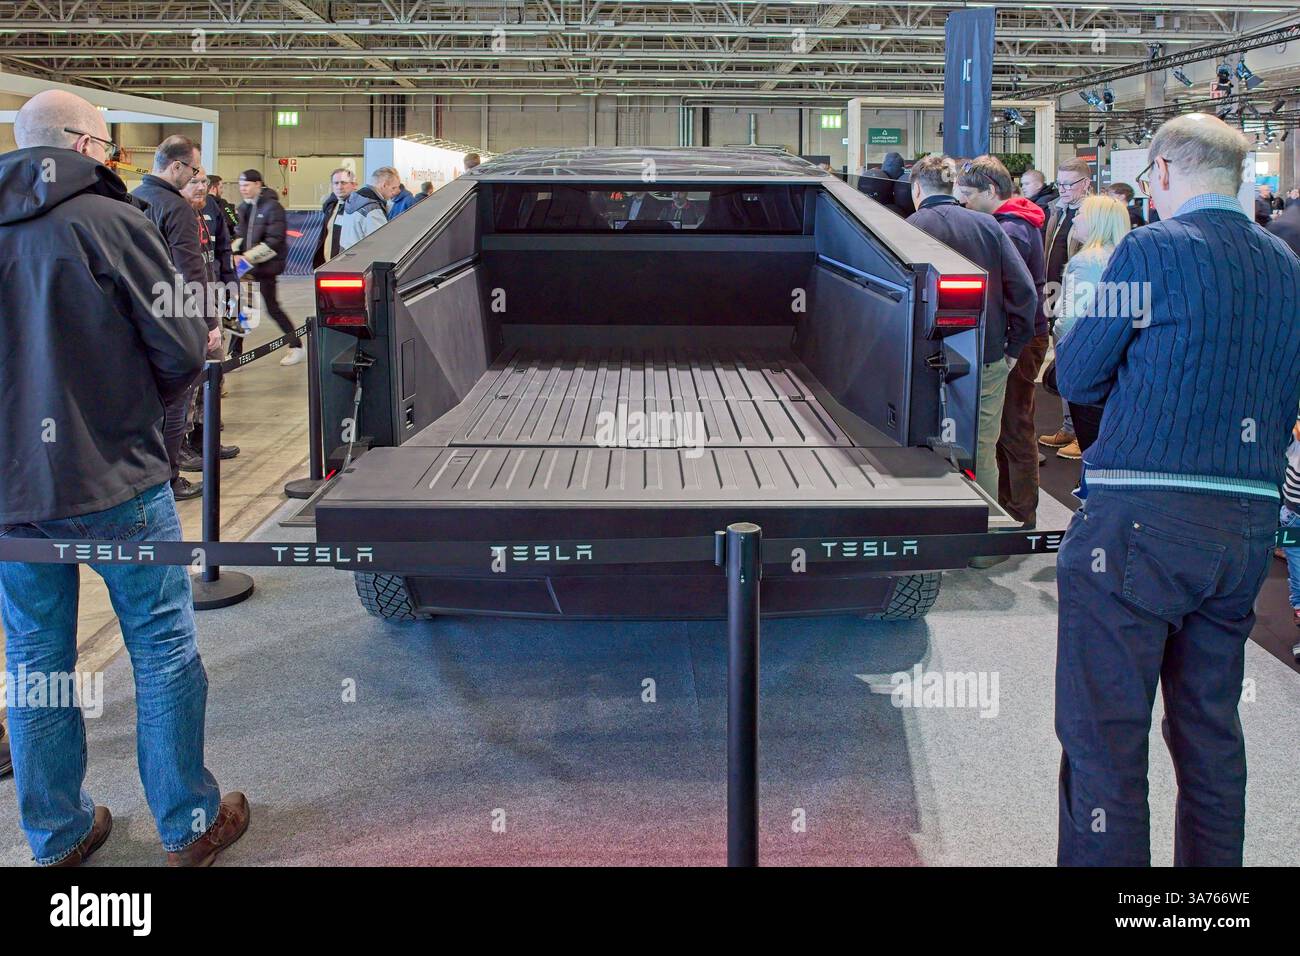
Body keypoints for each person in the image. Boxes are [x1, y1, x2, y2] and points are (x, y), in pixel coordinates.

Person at [0, 89, 249, 867]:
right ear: (82, 145)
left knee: (35, 662)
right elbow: (182, 347)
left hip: (13, 491)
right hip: (117, 479)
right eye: (107, 144)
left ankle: (57, 836)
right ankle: (187, 823)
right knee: (163, 644)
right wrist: (144, 411)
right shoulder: (114, 222)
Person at [1055, 112, 1300, 866]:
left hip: (1138, 521)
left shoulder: (1150, 249)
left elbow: (1078, 374)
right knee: (1210, 732)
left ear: (1161, 171)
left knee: (1104, 736)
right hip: (1245, 529)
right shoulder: (1285, 264)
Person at [907, 155, 1038, 525]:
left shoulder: (907, 228)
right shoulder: (988, 226)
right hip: (986, 355)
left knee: (919, 447)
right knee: (981, 448)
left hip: (922, 359)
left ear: (916, 189)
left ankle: (934, 530)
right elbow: (1024, 292)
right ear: (953, 187)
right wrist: (1013, 348)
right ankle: (984, 536)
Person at [957, 155, 1047, 529]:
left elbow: (1018, 295)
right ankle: (1012, 508)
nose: (962, 202)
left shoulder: (1010, 231)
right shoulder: (1014, 223)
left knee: (1013, 428)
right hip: (1023, 335)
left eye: (968, 194)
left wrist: (1010, 349)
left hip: (1020, 338)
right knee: (1008, 428)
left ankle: (1019, 516)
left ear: (991, 190)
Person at [132, 135, 220, 502]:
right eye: (193, 169)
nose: (195, 177)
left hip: (139, 314)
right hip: (173, 316)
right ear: (176, 166)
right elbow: (191, 271)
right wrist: (209, 324)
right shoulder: (178, 208)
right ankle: (168, 480)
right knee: (176, 403)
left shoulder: (131, 199)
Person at [1051, 194, 1130, 456]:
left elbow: (1072, 319)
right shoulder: (1123, 256)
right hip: (1115, 358)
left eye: (1081, 214)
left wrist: (1058, 336)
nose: (1075, 219)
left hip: (1086, 357)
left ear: (1097, 221)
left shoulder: (1087, 261)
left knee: (1091, 437)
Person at [180, 169, 240, 466]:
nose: (201, 187)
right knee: (191, 378)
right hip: (182, 304)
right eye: (194, 182)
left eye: (204, 182)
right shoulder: (173, 212)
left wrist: (232, 290)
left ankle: (205, 438)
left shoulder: (213, 210)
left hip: (211, 298)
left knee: (214, 370)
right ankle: (181, 444)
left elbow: (224, 252)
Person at [1037, 159, 1093, 460]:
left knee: (1078, 369)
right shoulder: (1057, 211)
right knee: (1063, 366)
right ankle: (1070, 428)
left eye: (1069, 184)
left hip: (1078, 299)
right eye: (1059, 183)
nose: (1063, 189)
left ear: (1086, 183)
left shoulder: (1092, 214)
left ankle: (1084, 435)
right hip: (1055, 295)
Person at [234, 169, 304, 366]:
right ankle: (234, 353)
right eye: (240, 186)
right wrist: (234, 253)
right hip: (247, 269)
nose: (243, 189)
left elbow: (275, 240)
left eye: (246, 185)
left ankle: (296, 346)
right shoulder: (244, 207)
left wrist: (247, 257)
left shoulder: (273, 208)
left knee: (272, 308)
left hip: (265, 269)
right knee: (243, 310)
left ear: (258, 184)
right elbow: (239, 235)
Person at [338, 167, 391, 249]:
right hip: (363, 255)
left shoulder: (350, 203)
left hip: (347, 254)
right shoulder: (372, 208)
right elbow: (381, 244)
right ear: (384, 185)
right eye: (393, 188)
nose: (340, 187)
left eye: (343, 183)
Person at [312, 166, 355, 268]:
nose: (340, 187)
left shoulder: (359, 208)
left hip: (348, 265)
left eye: (343, 183)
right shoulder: (330, 206)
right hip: (327, 264)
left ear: (353, 185)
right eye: (336, 183)